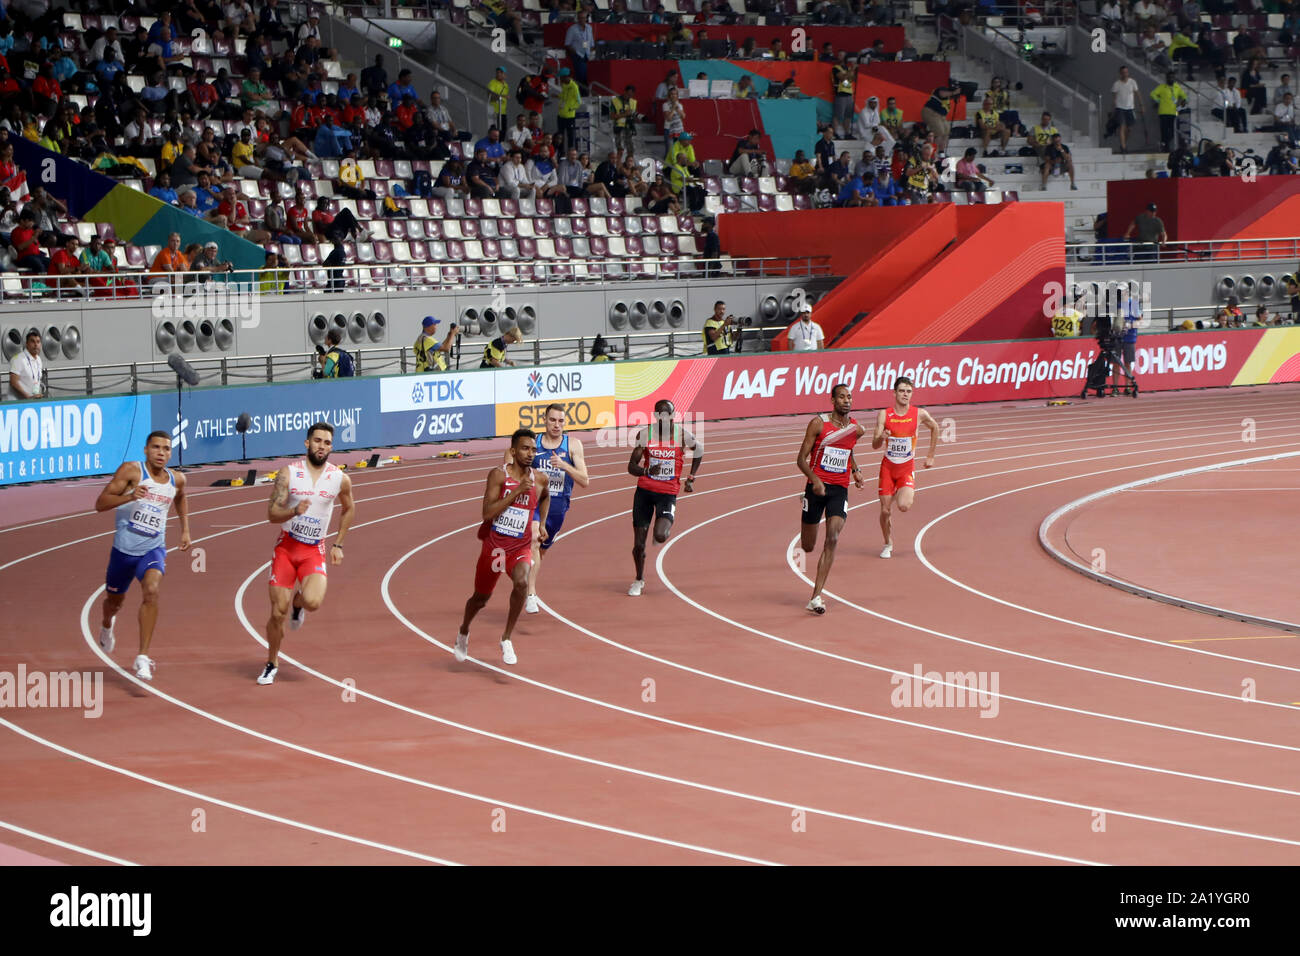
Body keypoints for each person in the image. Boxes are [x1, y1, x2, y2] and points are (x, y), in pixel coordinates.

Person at [260, 422, 356, 684]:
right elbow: (271, 514)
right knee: (277, 612)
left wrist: (339, 544)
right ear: (307, 443)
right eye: (317, 441)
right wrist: (293, 511)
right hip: (287, 548)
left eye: (326, 442)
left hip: (314, 550)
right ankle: (271, 662)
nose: (321, 446)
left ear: (331, 447)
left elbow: (349, 508)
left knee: (313, 602)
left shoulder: (339, 478)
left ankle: (298, 604)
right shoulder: (288, 474)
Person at [94, 431, 191, 681]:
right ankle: (107, 624)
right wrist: (129, 496)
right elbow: (100, 503)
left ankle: (142, 657)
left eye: (166, 449)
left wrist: (185, 530)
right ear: (146, 450)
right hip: (123, 552)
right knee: (113, 602)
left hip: (153, 548)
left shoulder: (177, 479)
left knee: (152, 590)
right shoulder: (131, 472)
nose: (161, 453)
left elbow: (180, 498)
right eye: (156, 447)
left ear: (171, 453)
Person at [455, 429, 549, 666]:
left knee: (521, 582)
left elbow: (545, 496)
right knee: (480, 599)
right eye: (525, 448)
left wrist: (543, 524)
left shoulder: (539, 479)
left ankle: (506, 638)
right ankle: (464, 631)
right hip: (495, 548)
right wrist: (517, 491)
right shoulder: (498, 476)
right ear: (513, 450)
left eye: (534, 449)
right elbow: (487, 512)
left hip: (520, 547)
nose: (530, 454)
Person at [797, 384, 867, 614]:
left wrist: (855, 470)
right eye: (841, 397)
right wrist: (815, 480)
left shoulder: (855, 428)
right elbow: (800, 459)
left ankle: (816, 596)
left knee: (833, 537)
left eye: (849, 397)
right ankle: (805, 502)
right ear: (832, 400)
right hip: (815, 489)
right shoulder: (818, 424)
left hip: (838, 490)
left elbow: (848, 449)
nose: (847, 401)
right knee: (808, 547)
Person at [627, 399, 703, 596]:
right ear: (655, 416)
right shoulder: (644, 435)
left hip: (667, 493)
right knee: (638, 544)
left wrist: (691, 477)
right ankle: (638, 579)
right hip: (644, 492)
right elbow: (631, 467)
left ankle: (658, 530)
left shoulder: (682, 436)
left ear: (673, 415)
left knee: (661, 535)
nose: (664, 417)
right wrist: (646, 470)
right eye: (660, 414)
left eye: (667, 414)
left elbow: (699, 450)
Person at [524, 403, 589, 614]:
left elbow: (585, 480)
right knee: (534, 538)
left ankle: (525, 580)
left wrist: (564, 465)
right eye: (552, 420)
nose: (556, 425)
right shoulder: (533, 444)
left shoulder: (573, 445)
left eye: (561, 421)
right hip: (534, 504)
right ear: (544, 420)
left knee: (539, 554)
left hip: (557, 510)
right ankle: (531, 595)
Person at [872, 376, 939, 559]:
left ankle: (893, 495)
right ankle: (888, 543)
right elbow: (875, 445)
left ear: (912, 394)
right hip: (887, 468)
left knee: (904, 505)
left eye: (908, 391)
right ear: (894, 393)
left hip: (906, 468)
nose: (905, 394)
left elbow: (935, 428)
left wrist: (930, 456)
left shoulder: (919, 414)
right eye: (902, 391)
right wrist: (882, 435)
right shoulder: (884, 415)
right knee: (885, 511)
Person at [1112, 65, 1143, 154]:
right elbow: (1114, 98)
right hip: (1120, 108)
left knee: (1129, 128)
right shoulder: (1116, 84)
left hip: (1130, 108)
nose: (1125, 74)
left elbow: (1137, 93)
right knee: (1122, 127)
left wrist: (1141, 105)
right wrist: (1112, 110)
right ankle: (1123, 147)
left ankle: (1124, 143)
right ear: (1120, 73)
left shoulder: (1132, 82)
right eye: (1123, 73)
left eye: (1126, 72)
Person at [8, 329, 43, 400]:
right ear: (27, 344)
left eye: (38, 342)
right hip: (18, 403)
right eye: (32, 341)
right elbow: (13, 382)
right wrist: (28, 397)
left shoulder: (38, 359)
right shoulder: (19, 359)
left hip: (33, 400)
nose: (36, 345)